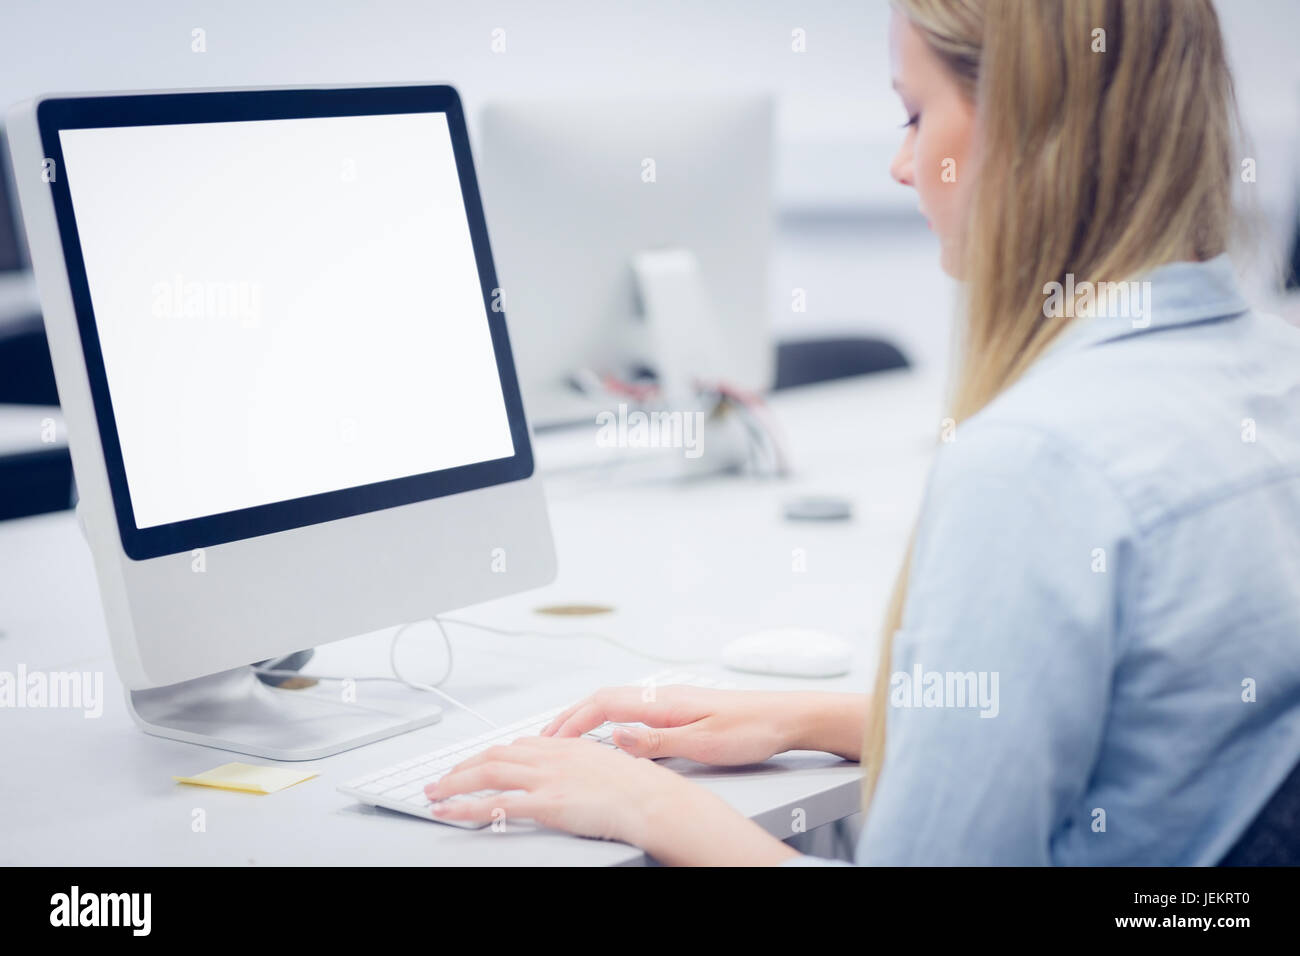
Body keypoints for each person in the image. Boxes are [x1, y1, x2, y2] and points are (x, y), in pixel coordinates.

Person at [426, 0, 1300, 865]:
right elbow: (1160, 729)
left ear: (1030, 127)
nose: (900, 163)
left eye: (915, 115)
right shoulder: (1275, 368)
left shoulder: (1038, 465)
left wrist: (642, 804)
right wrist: (811, 717)